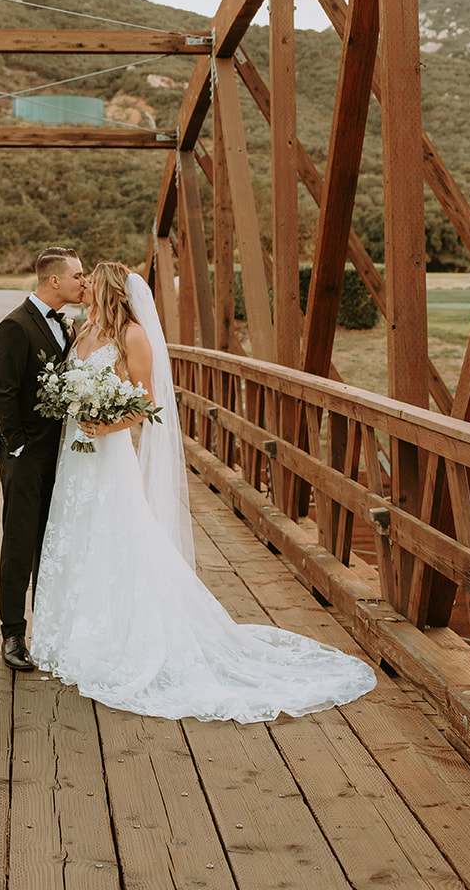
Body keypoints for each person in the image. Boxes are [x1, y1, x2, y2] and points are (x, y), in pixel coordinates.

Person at [29, 262, 378, 722]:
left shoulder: (133, 336)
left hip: (107, 453)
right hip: (75, 456)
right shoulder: (81, 331)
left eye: (91, 280)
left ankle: (118, 635)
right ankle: (70, 633)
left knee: (114, 534)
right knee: (76, 534)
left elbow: (147, 404)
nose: (84, 286)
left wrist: (103, 424)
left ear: (110, 288)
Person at [0, 246, 86, 672]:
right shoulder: (14, 326)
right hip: (26, 455)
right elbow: (3, 390)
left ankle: (47, 627)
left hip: (61, 453)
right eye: (78, 276)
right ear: (54, 281)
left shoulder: (67, 325)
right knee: (20, 540)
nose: (84, 283)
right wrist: (18, 445)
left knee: (53, 541)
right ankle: (13, 633)